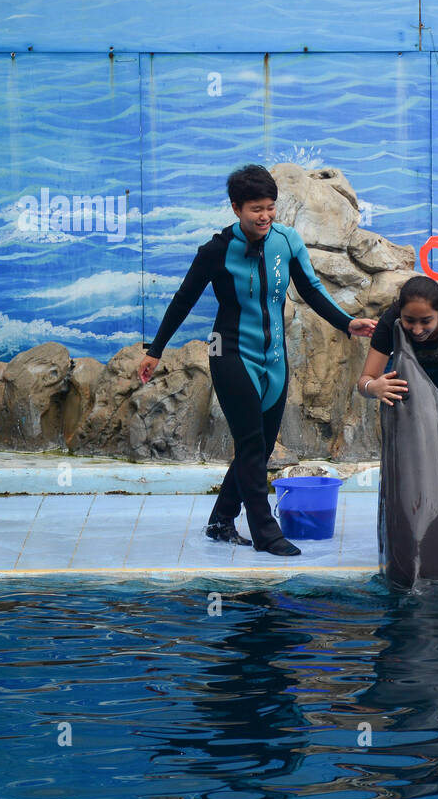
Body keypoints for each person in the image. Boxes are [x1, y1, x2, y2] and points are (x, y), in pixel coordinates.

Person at [136, 165, 376, 555]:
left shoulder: (287, 240)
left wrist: (349, 323)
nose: (264, 216)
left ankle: (220, 520)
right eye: (255, 209)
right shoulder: (215, 251)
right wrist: (155, 350)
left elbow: (312, 291)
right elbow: (184, 300)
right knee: (250, 446)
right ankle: (265, 530)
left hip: (275, 357)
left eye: (269, 207)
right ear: (236, 209)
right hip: (229, 352)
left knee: (260, 448)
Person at [356, 276, 438, 463]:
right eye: (409, 320)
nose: (416, 329)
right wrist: (373, 387)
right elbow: (365, 379)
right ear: (401, 313)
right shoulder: (389, 323)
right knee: (407, 442)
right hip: (406, 372)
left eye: (426, 321)